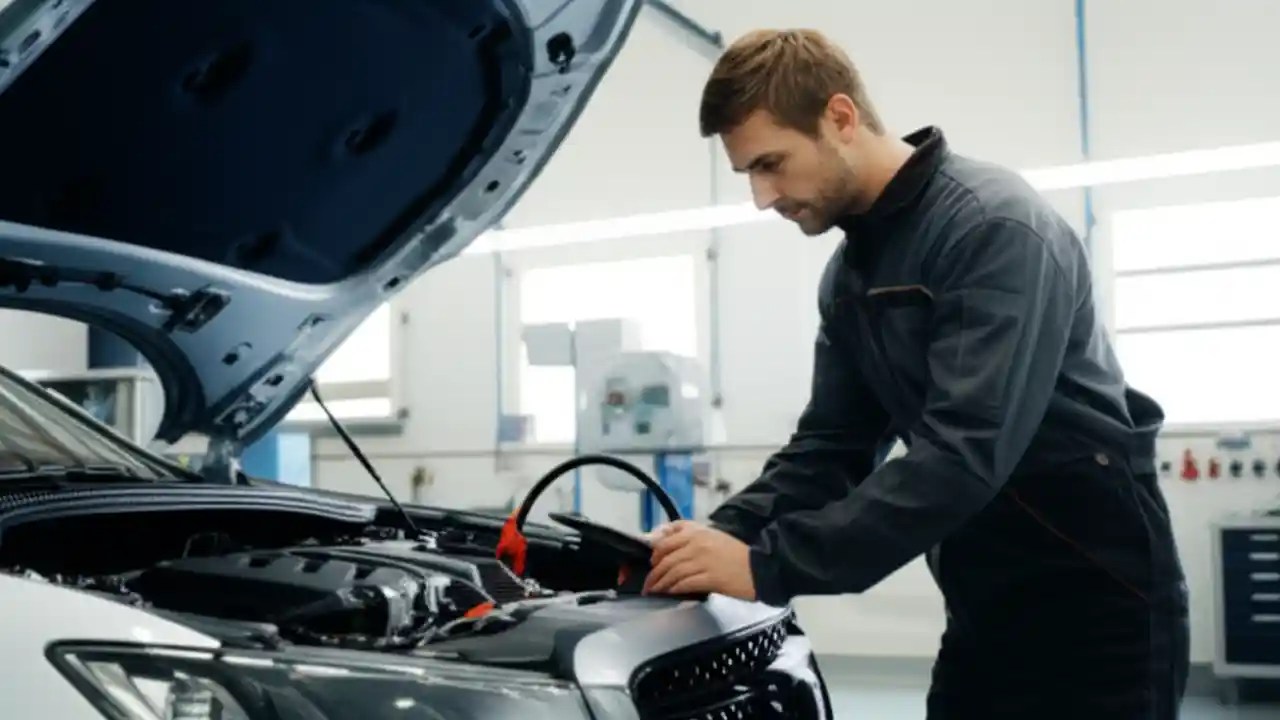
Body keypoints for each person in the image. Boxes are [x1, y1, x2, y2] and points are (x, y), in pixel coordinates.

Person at [641, 28, 1190, 717]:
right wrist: (714, 541)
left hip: (1097, 604)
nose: (761, 197)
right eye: (749, 172)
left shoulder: (993, 228)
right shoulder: (850, 277)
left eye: (771, 164)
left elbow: (963, 453)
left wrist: (764, 566)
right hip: (983, 606)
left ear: (840, 118)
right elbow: (829, 451)